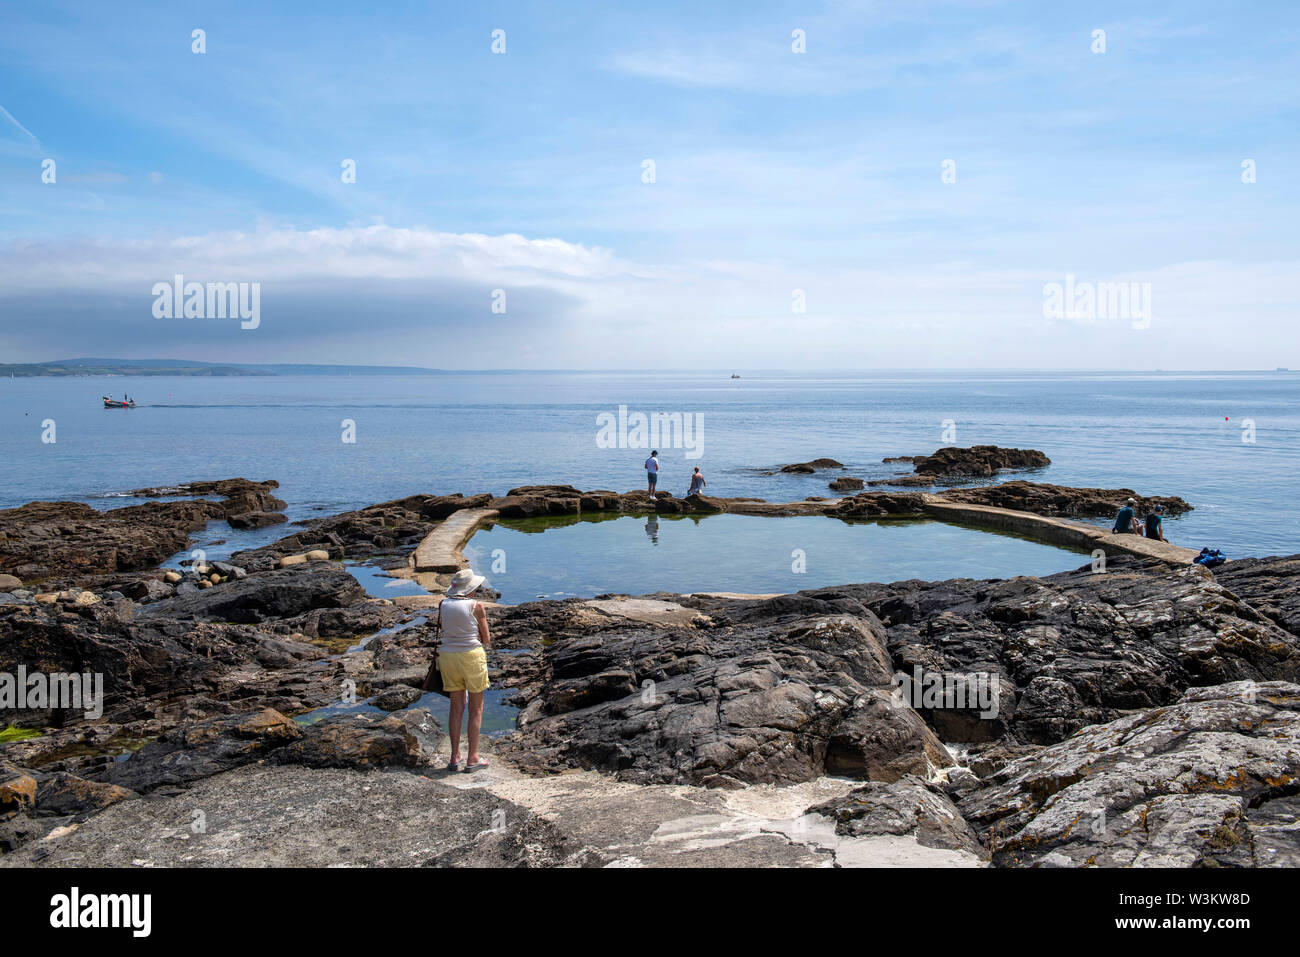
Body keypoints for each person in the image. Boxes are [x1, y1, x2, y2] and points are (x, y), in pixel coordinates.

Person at [438, 568, 492, 772]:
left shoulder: (443, 604)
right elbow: (485, 639)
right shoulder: (476, 606)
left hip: (447, 656)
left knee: (456, 707)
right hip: (471, 655)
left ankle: (454, 756)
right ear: (471, 589)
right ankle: (473, 757)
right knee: (476, 708)